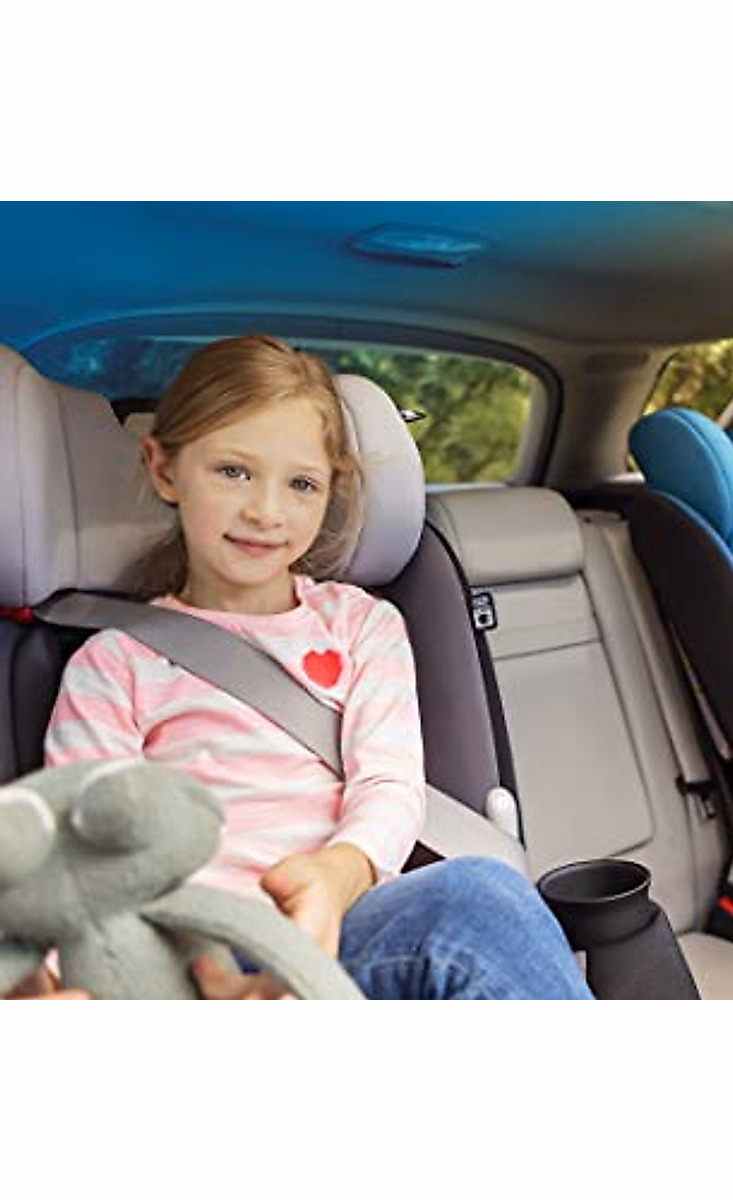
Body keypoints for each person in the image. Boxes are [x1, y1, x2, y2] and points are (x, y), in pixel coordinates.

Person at [26, 333, 590, 1000]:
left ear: (330, 493)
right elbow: (84, 846)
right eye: (233, 471)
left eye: (301, 484)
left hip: (345, 924)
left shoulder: (362, 627)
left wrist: (338, 874)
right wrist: (64, 980)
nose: (267, 511)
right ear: (165, 469)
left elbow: (389, 783)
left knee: (478, 898)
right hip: (193, 960)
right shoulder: (117, 661)